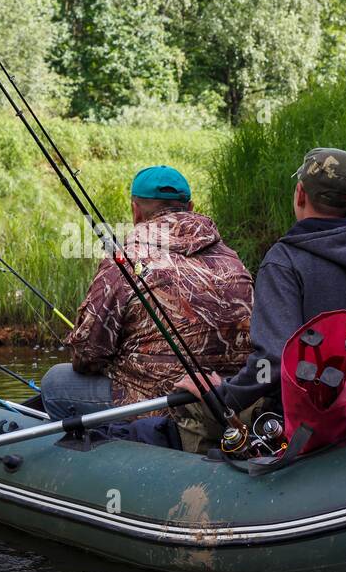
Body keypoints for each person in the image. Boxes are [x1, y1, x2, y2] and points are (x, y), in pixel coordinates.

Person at [173, 147, 346, 450]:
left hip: (312, 423)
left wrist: (222, 395)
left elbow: (273, 361)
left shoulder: (284, 261)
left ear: (300, 194)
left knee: (191, 406)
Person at [39, 165, 253, 420]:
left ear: (135, 210)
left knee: (56, 382)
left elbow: (86, 356)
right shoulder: (231, 258)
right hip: (226, 398)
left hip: (161, 405)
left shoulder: (125, 260)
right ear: (191, 207)